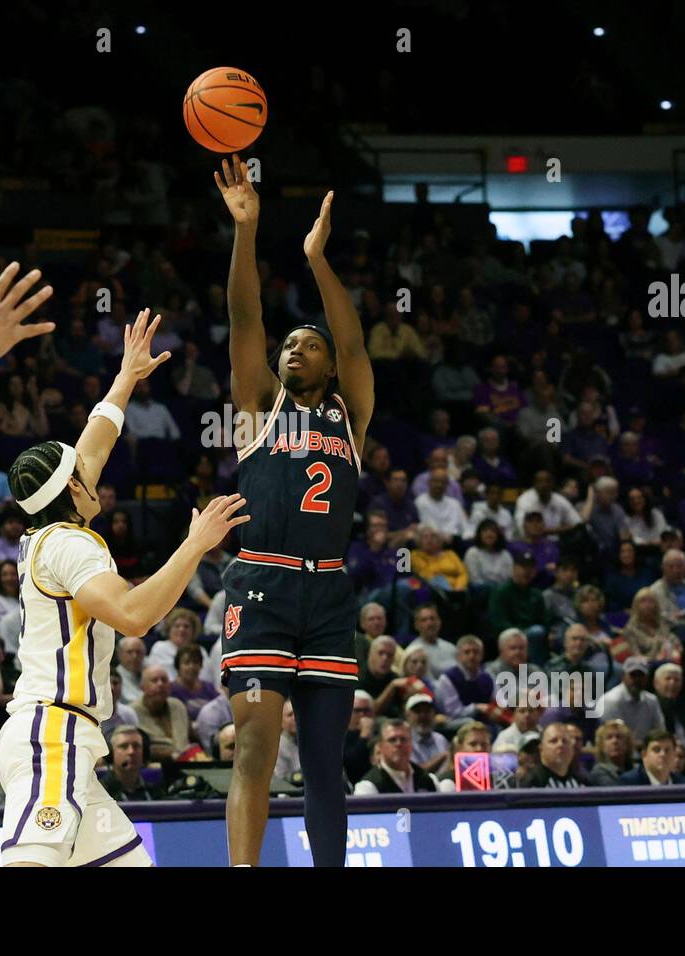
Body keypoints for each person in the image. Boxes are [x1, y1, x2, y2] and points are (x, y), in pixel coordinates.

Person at [0, 308, 247, 867]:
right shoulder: (69, 546)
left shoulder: (51, 527)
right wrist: (195, 544)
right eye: (82, 475)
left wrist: (127, 377)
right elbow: (134, 616)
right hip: (52, 733)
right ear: (71, 491)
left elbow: (95, 444)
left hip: (64, 736)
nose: (95, 475)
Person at [215, 157, 375, 867]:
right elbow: (244, 313)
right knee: (255, 747)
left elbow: (356, 340)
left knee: (325, 765)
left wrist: (316, 259)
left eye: (308, 345)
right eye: (289, 344)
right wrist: (246, 232)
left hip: (330, 593)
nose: (294, 349)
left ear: (328, 365)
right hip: (263, 585)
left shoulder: (351, 413)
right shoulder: (257, 406)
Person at [352, 720, 439, 794]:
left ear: (411, 744)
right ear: (380, 746)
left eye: (403, 739)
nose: (399, 744)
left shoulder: (429, 780)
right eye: (392, 740)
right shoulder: (367, 787)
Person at [132, 665, 196, 760]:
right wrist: (168, 755)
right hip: (154, 767)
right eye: (154, 680)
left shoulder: (178, 706)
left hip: (186, 763)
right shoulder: (132, 713)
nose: (160, 684)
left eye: (164, 680)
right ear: (142, 687)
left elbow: (192, 738)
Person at [596, 657, 665, 743]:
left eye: (641, 675)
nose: (637, 679)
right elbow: (613, 736)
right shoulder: (610, 701)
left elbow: (660, 732)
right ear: (623, 676)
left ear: (647, 678)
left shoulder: (652, 701)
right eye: (633, 675)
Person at [101, 726, 162, 802]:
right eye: (123, 746)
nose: (131, 752)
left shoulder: (156, 793)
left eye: (136, 746)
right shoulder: (99, 793)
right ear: (111, 753)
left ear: (144, 752)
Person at [521, 722, 585, 788]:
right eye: (553, 741)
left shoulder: (584, 782)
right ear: (541, 749)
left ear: (572, 749)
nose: (560, 745)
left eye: (565, 741)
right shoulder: (531, 783)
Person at [618, 729, 685, 785]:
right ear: (644, 755)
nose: (662, 754)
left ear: (674, 754)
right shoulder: (629, 782)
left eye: (667, 750)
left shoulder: (681, 782)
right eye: (657, 750)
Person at [588, 719, 634, 786]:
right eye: (609, 737)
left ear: (627, 743)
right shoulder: (599, 772)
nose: (615, 741)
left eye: (619, 737)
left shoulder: (635, 768)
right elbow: (621, 794)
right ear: (601, 745)